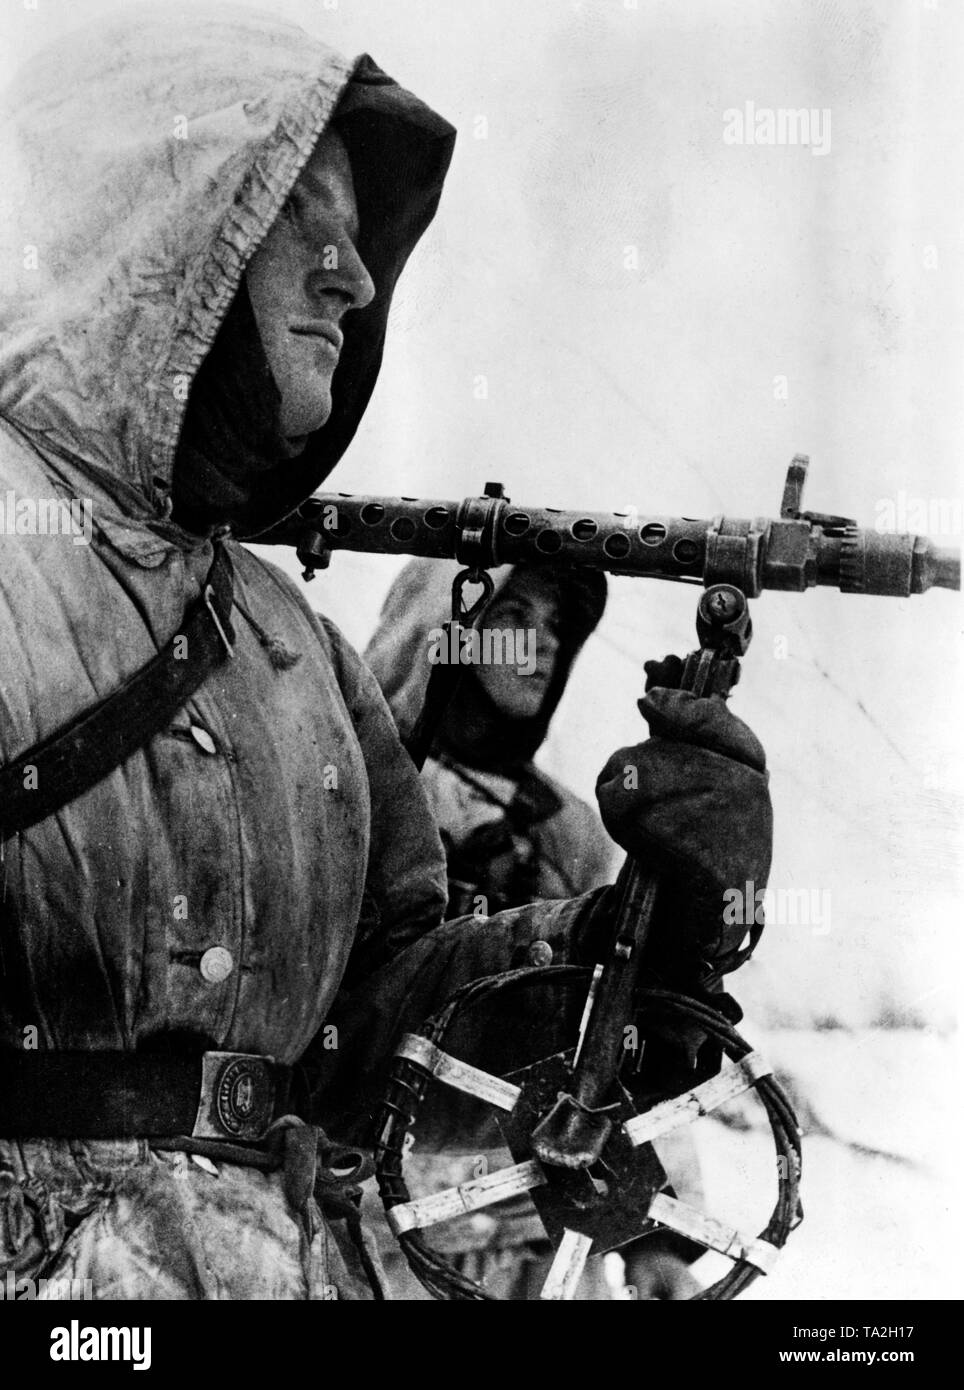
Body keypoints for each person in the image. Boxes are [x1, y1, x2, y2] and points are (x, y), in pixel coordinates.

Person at [0, 6, 772, 1301]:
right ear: (166, 221)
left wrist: (649, 932)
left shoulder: (296, 644)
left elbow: (390, 1015)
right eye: (297, 208)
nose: (351, 274)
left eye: (359, 232)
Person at [363, 560, 704, 1299]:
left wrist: (653, 1235)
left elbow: (622, 1032)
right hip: (363, 1231)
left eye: (558, 627)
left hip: (539, 1241)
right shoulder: (351, 791)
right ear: (444, 631)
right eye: (515, 617)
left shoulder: (567, 832)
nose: (543, 644)